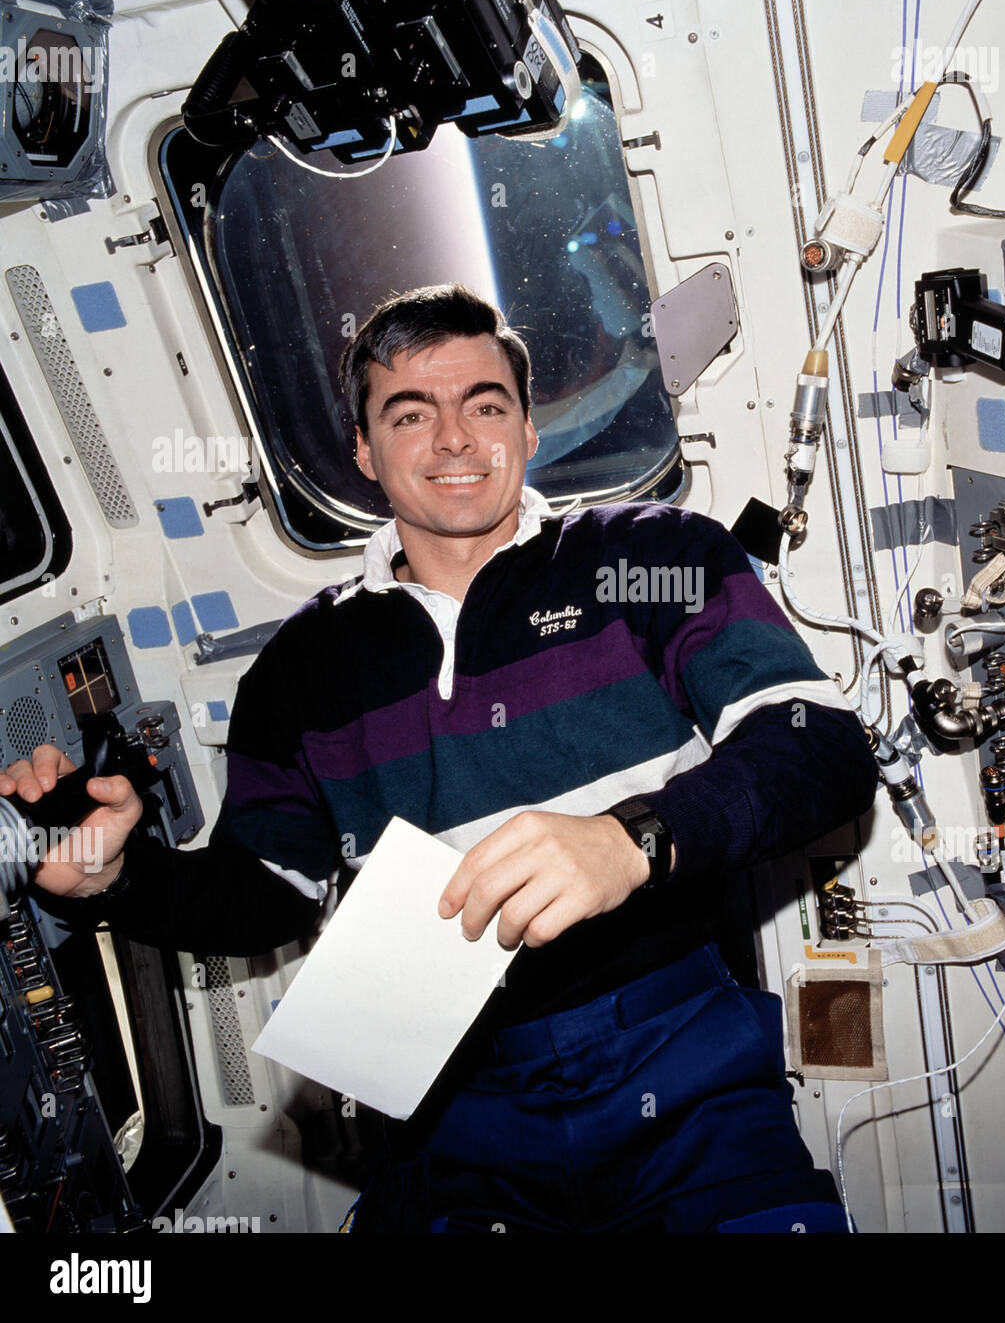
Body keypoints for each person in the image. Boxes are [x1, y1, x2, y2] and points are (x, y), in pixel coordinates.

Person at [1, 283, 879, 1232]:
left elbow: (819, 744)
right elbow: (266, 889)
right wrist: (118, 874)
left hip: (680, 1057)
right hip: (455, 1097)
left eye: (486, 406)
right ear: (364, 452)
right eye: (410, 413)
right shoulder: (301, 667)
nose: (455, 439)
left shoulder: (657, 557)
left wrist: (634, 840)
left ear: (529, 430)